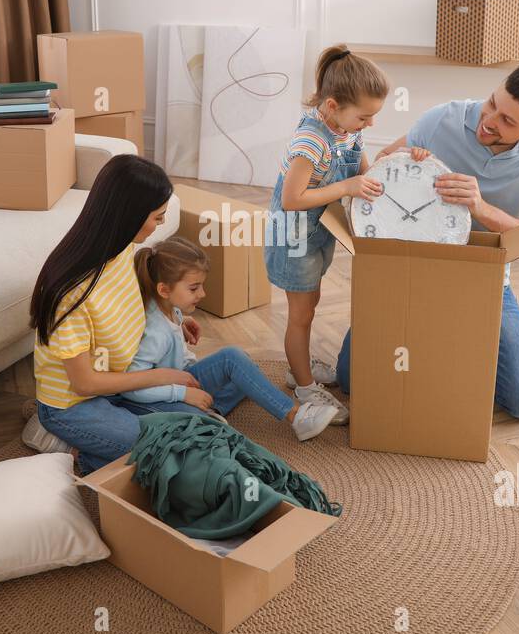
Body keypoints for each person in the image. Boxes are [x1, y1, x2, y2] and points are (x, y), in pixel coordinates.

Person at [336, 59, 519, 420]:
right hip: (414, 273)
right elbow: (385, 165)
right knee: (350, 380)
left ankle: (452, 345)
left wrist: (483, 209)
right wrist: (407, 161)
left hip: (485, 281)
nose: (489, 120)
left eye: (508, 121)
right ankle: (439, 346)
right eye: (492, 103)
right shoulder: (443, 119)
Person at [29, 154, 204, 473]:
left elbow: (129, 298)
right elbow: (84, 384)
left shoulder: (122, 247)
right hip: (74, 405)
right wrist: (163, 376)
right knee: (168, 450)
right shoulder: (72, 294)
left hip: (121, 384)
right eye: (157, 217)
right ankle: (65, 444)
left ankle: (101, 446)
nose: (161, 224)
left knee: (199, 429)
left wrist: (173, 316)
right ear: (129, 216)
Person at [263, 44, 389, 425]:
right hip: (295, 237)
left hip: (319, 232)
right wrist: (347, 187)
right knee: (300, 315)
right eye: (364, 117)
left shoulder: (347, 130)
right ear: (333, 106)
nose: (370, 124)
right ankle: (304, 388)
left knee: (311, 302)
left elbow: (363, 172)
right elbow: (292, 199)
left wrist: (381, 174)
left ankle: (297, 367)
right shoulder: (312, 141)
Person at [124, 236, 340, 441]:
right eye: (194, 288)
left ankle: (211, 412)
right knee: (232, 359)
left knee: (246, 371)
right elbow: (132, 388)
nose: (202, 294)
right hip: (161, 397)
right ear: (164, 290)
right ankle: (296, 416)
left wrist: (181, 321)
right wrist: (181, 394)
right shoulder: (156, 332)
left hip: (182, 377)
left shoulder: (169, 308)